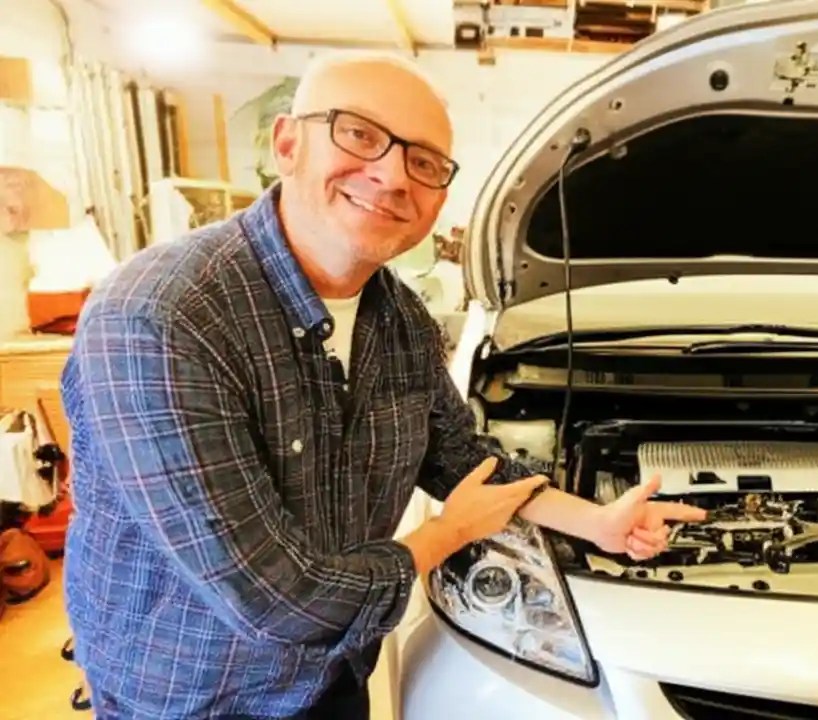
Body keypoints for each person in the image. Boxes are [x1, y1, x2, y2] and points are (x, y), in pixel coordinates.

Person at [59, 51, 705, 720]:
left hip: (333, 676)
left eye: (424, 162)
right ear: (288, 143)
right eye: (359, 134)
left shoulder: (399, 320)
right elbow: (277, 599)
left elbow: (461, 457)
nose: (392, 175)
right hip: (189, 696)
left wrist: (596, 520)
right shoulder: (162, 316)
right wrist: (446, 536)